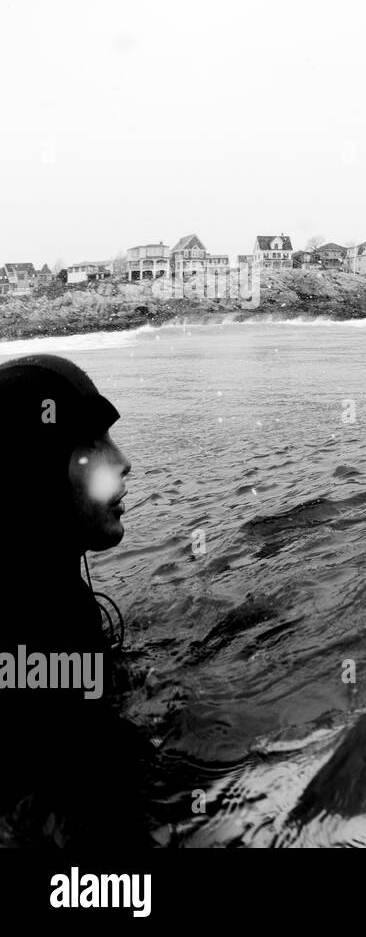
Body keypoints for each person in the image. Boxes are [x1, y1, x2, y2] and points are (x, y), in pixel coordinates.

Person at [0, 353, 153, 847]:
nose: (122, 462)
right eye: (93, 445)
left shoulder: (41, 591)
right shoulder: (40, 622)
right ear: (34, 473)